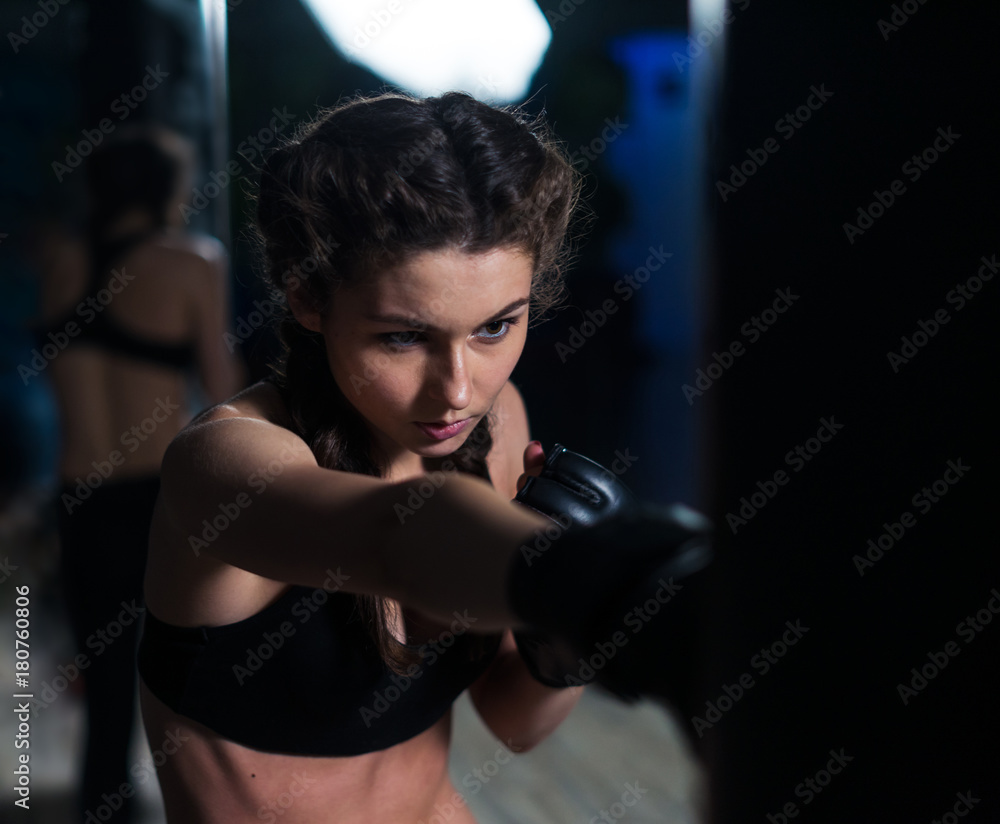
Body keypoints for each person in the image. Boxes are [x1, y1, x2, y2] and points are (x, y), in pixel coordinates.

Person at [137, 91, 710, 823]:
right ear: (309, 297)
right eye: (404, 337)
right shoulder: (223, 464)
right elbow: (397, 535)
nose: (459, 391)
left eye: (495, 327)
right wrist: (599, 577)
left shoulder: (497, 422)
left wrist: (573, 635)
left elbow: (516, 722)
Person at [36, 124, 243, 823]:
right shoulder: (194, 261)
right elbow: (225, 390)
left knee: (105, 692)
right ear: (165, 189)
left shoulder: (58, 257)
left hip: (80, 497)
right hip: (160, 501)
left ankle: (103, 810)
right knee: (190, 679)